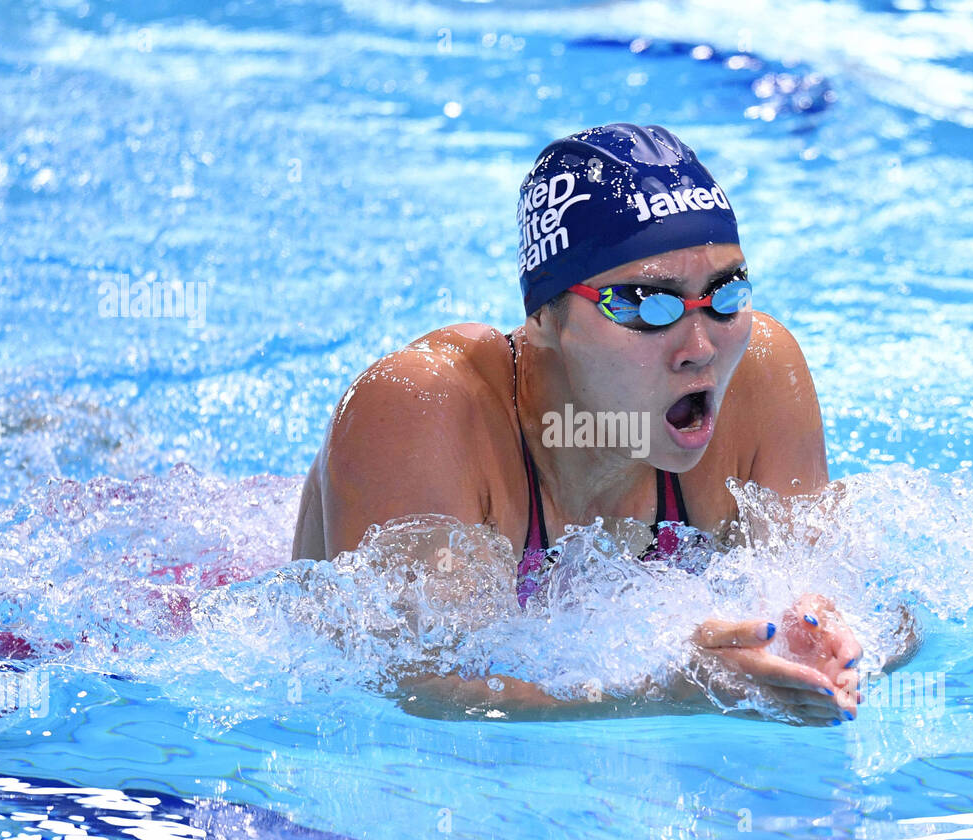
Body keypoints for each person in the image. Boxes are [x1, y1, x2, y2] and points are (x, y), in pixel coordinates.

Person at [293, 123, 866, 724]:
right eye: (647, 304)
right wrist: (666, 691)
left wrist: (824, 644)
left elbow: (859, 611)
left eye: (724, 294)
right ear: (544, 316)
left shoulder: (758, 374)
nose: (700, 347)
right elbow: (415, 692)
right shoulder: (423, 411)